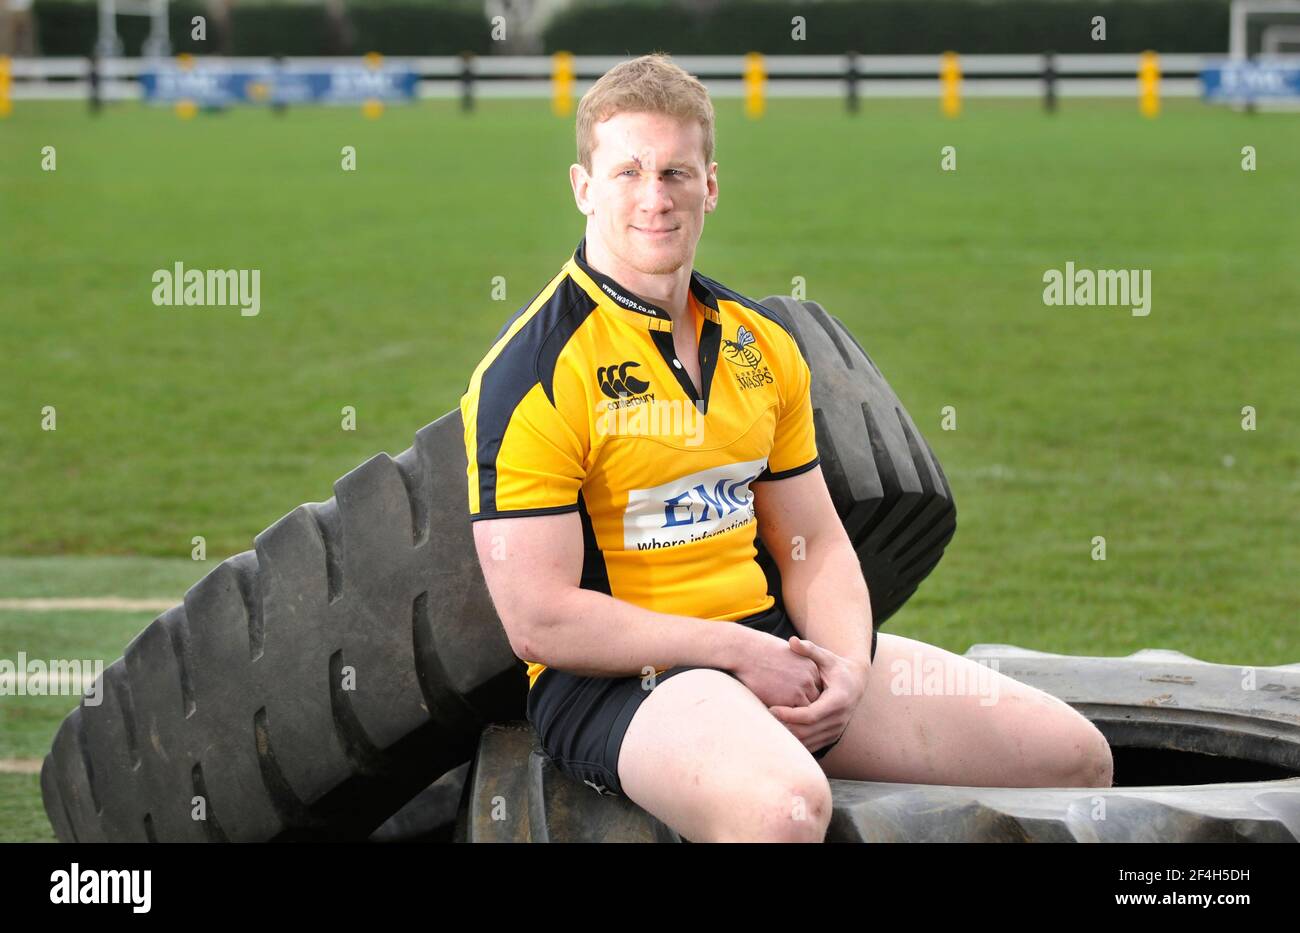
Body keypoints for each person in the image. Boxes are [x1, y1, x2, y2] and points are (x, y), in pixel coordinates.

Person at [459, 53, 1113, 843]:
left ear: (711, 185)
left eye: (676, 171)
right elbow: (541, 620)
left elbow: (815, 547)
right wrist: (732, 651)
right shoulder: (532, 371)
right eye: (627, 170)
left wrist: (846, 668)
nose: (654, 196)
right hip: (621, 687)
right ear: (583, 187)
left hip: (769, 643)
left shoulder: (761, 345)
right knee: (786, 810)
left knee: (1074, 757)